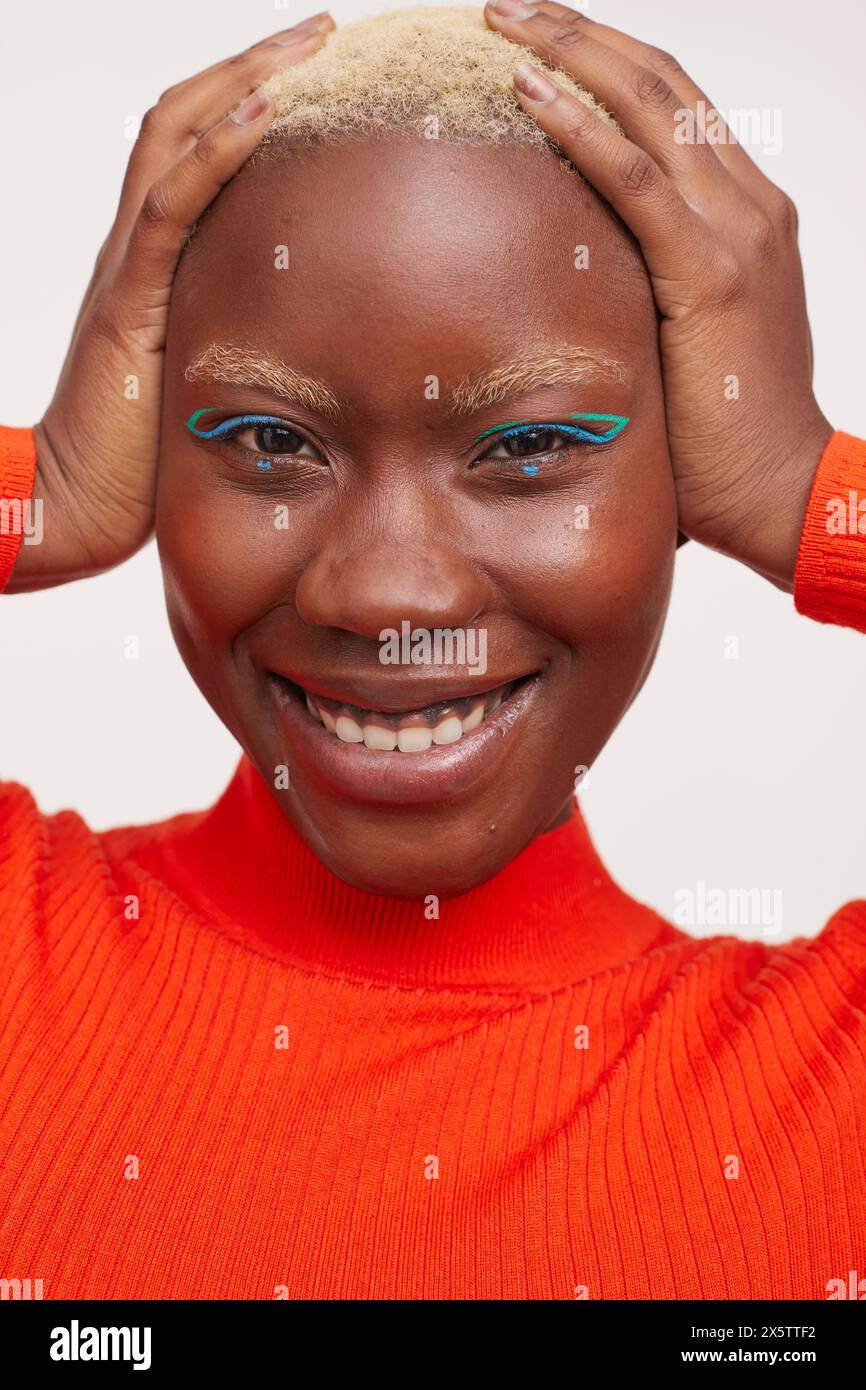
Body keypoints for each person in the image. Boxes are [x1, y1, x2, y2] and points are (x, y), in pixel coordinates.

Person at [0, 4, 863, 1300]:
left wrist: (809, 489)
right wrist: (39, 489)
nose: (385, 589)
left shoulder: (821, 1093)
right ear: (147, 459)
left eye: (529, 448)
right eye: (265, 437)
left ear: (690, 476)